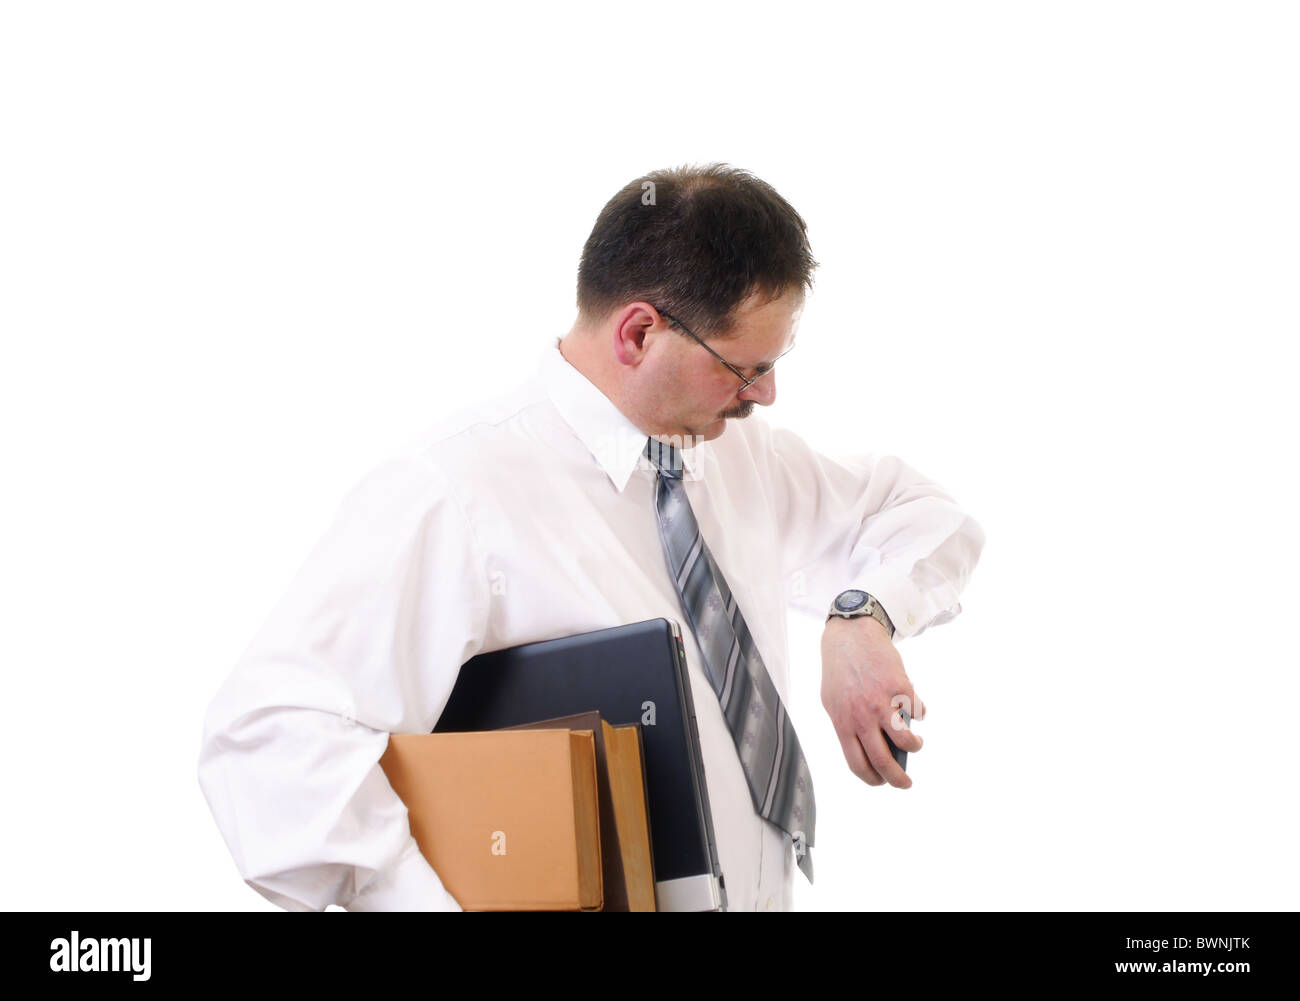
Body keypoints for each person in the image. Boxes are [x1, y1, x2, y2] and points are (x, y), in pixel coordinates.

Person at [198, 163, 985, 912]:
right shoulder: (454, 492)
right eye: (745, 370)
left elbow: (927, 515)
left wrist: (859, 615)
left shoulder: (737, 455)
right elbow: (268, 740)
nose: (766, 395)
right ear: (638, 334)